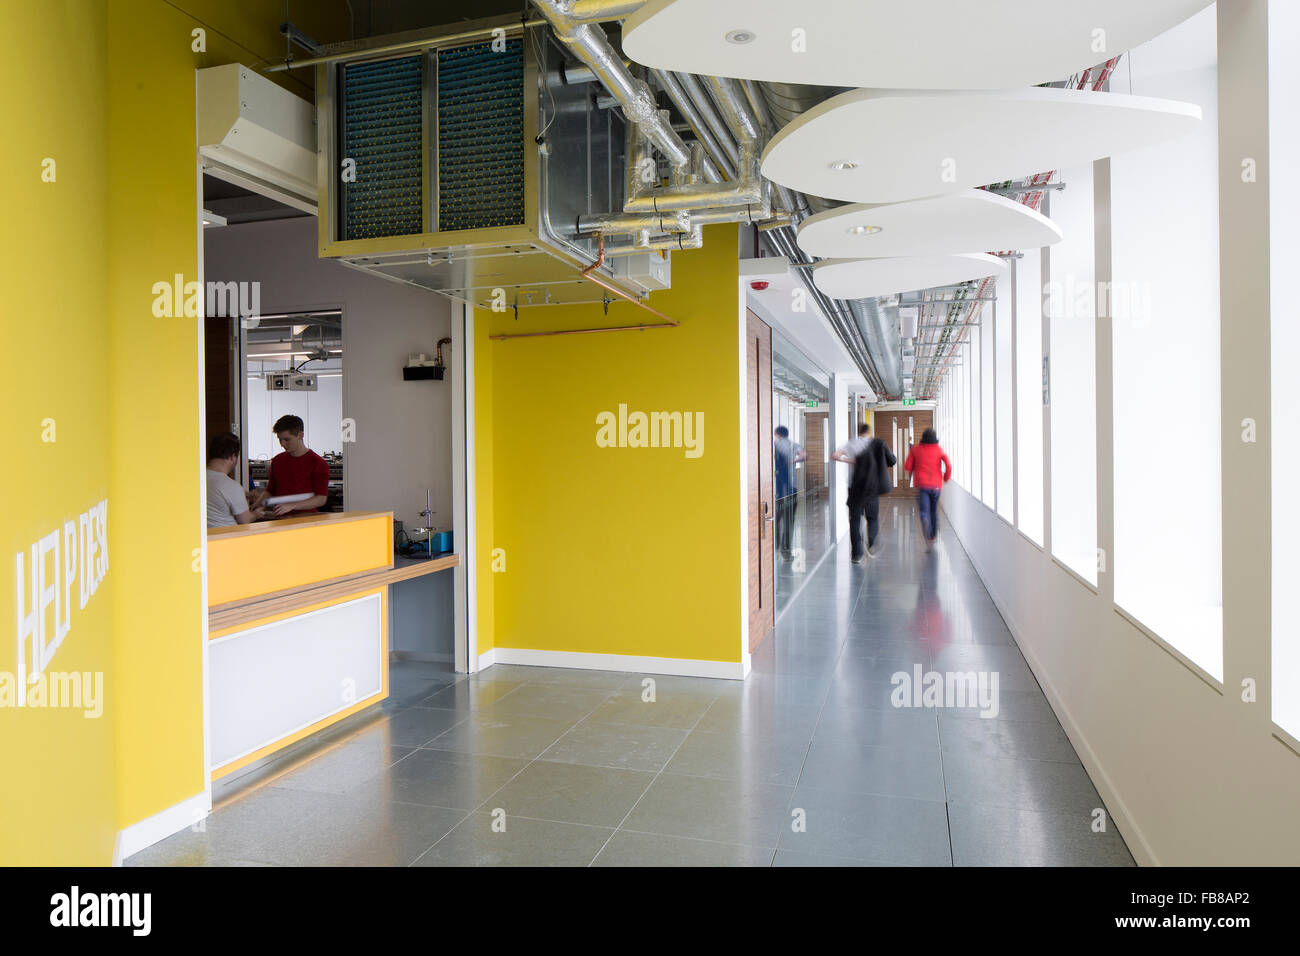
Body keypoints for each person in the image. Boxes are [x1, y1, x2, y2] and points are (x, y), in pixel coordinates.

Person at [833, 423, 896, 562]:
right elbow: (892, 460)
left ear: (859, 432)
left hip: (854, 487)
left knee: (855, 520)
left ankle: (857, 554)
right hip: (871, 488)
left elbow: (835, 455)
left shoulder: (850, 444)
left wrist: (851, 460)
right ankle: (872, 545)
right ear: (869, 432)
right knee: (872, 518)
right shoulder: (877, 444)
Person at [258, 414, 330, 517]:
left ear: (300, 435)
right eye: (280, 439)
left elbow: (321, 499)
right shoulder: (277, 460)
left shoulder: (318, 463)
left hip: (305, 521)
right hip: (281, 520)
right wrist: (257, 505)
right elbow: (270, 490)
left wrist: (292, 505)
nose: (282, 444)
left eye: (287, 439)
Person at [903, 427, 952, 552]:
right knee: (934, 511)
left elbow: (907, 466)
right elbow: (948, 465)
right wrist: (946, 478)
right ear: (935, 439)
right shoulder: (939, 450)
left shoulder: (916, 449)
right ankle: (932, 536)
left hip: (923, 485)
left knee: (924, 511)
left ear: (923, 438)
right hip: (936, 486)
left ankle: (925, 520)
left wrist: (915, 465)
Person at [206, 432, 263, 528]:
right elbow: (245, 520)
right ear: (233, 457)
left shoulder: (196, 478)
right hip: (226, 538)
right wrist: (257, 513)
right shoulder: (231, 486)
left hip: (205, 538)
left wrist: (242, 494)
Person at [773, 425, 806, 558]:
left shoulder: (773, 445)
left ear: (777, 434)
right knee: (789, 519)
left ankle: (774, 544)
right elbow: (803, 456)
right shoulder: (794, 445)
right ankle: (785, 550)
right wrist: (793, 460)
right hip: (791, 488)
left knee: (775, 517)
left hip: (776, 489)